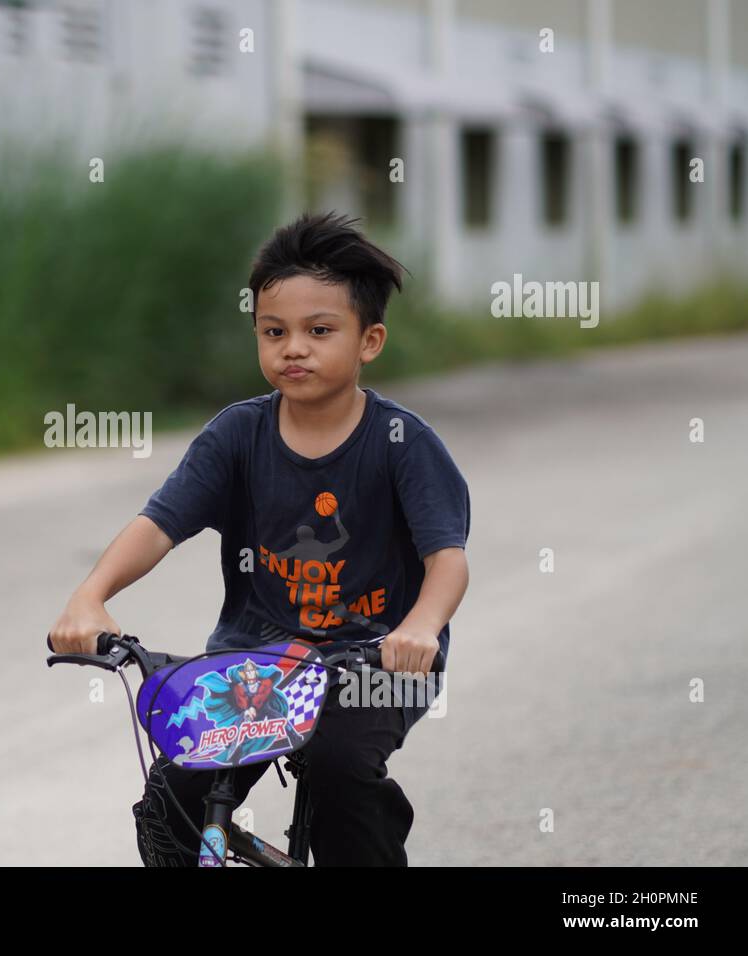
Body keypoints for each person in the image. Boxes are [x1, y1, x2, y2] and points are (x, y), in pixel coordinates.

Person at [47, 211, 471, 866]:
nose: (293, 347)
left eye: (319, 330)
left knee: (338, 771)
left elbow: (446, 559)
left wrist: (419, 627)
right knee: (175, 792)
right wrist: (90, 595)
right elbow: (159, 525)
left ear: (370, 341)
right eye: (274, 332)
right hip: (258, 663)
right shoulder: (237, 436)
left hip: (376, 664)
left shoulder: (401, 444)